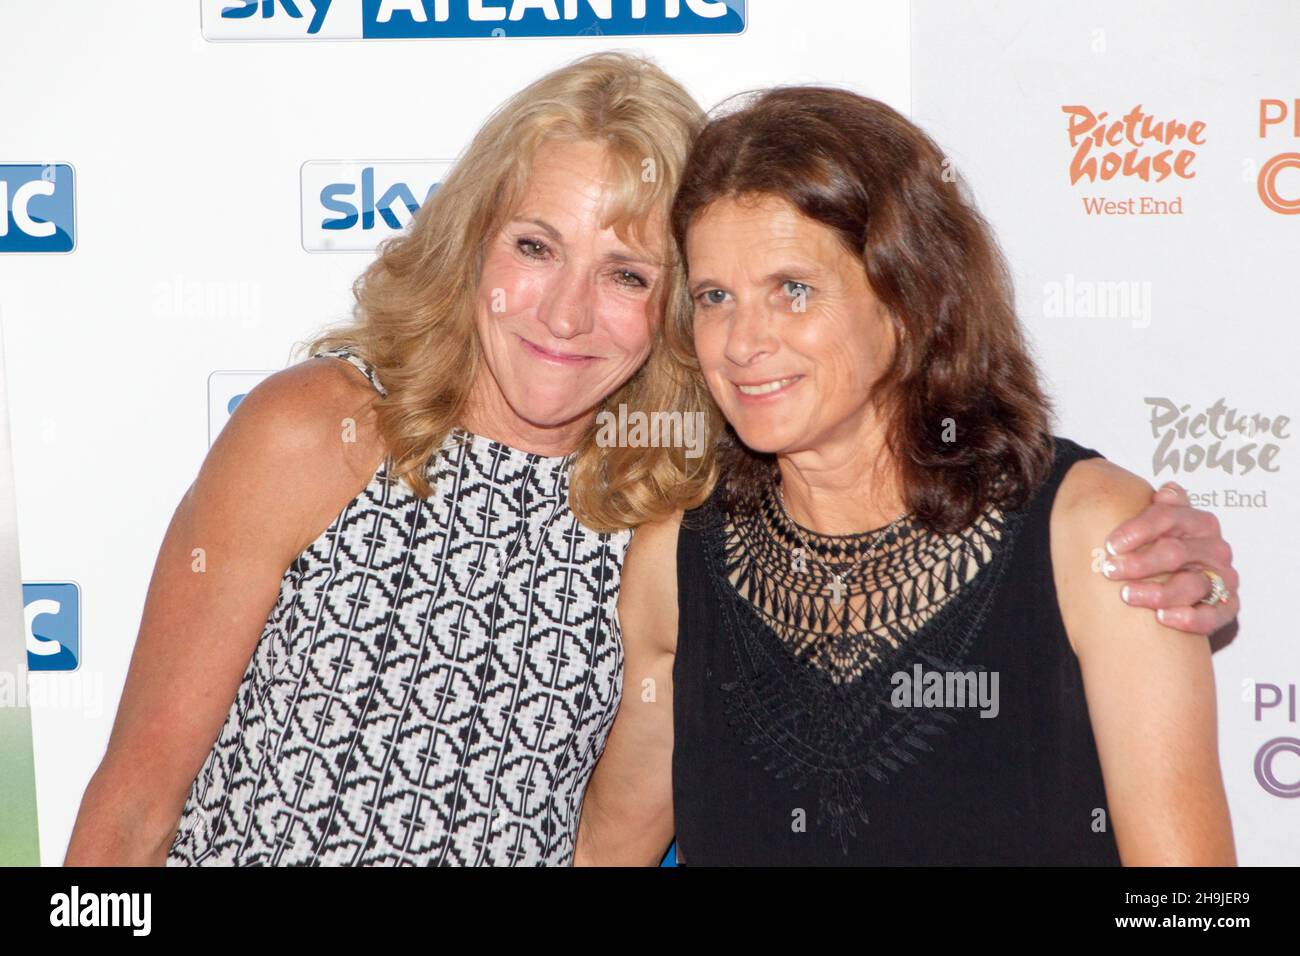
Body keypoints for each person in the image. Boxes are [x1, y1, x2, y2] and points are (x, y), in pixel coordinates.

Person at [64, 56, 1235, 868]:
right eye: (534, 246)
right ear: (473, 239)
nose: (565, 312)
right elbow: (130, 802)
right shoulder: (320, 431)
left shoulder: (664, 500)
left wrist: (1166, 565)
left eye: (628, 274)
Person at [577, 86, 1237, 866]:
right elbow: (601, 855)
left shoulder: (1097, 538)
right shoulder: (678, 563)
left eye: (794, 290)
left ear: (908, 298)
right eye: (717, 297)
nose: (743, 341)